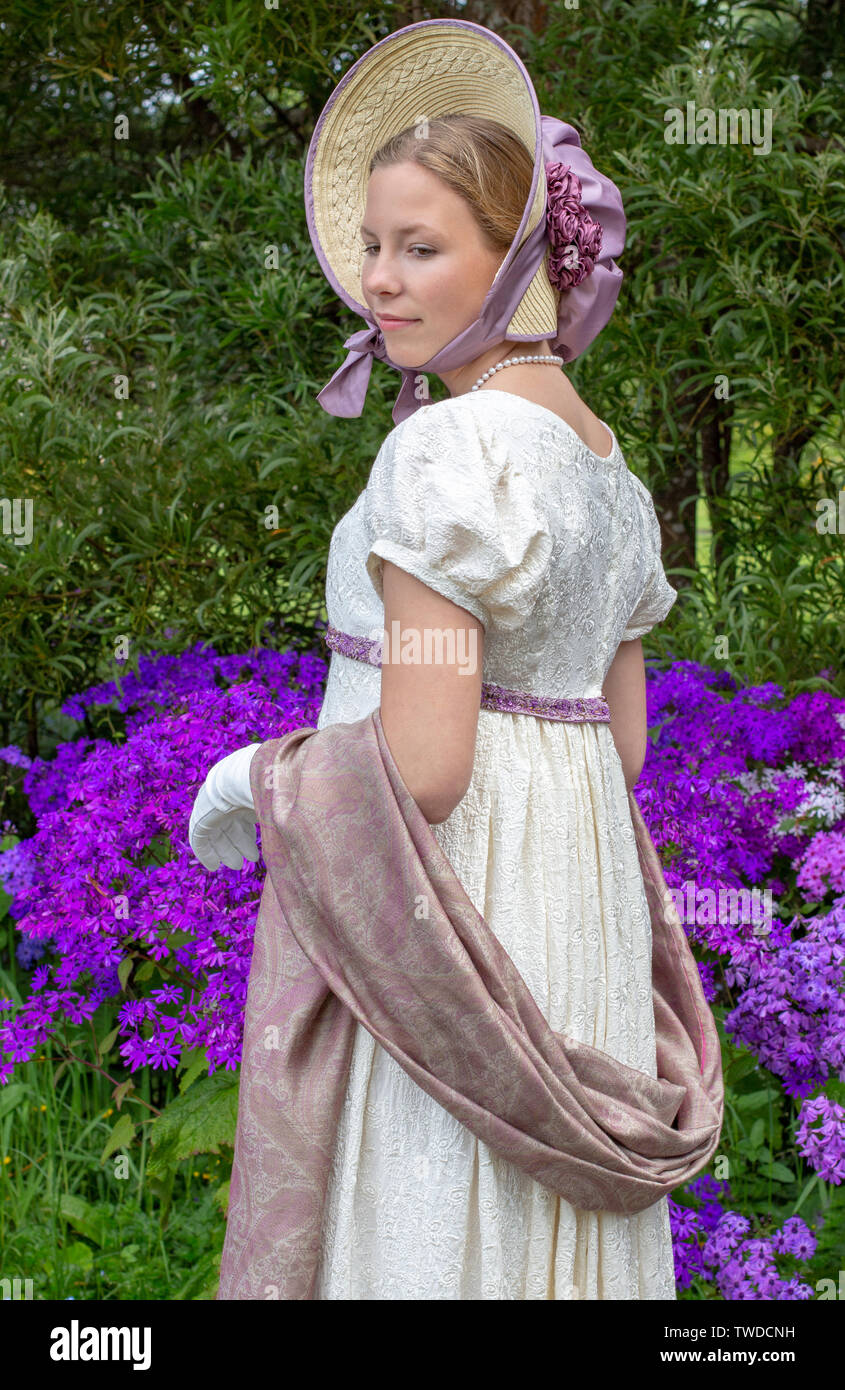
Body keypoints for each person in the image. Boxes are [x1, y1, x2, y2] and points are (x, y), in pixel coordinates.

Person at [190, 20, 682, 1299]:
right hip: (569, 908)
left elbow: (424, 764)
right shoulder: (606, 465)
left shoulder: (442, 452)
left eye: (421, 248)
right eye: (370, 248)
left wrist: (251, 776)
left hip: (447, 915)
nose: (380, 283)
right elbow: (617, 741)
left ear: (515, 258)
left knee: (433, 1217)